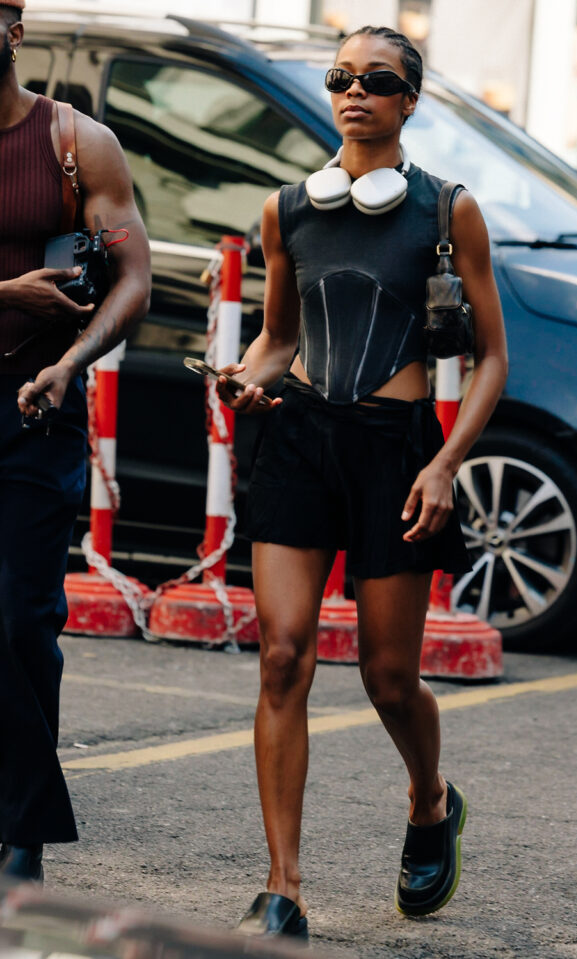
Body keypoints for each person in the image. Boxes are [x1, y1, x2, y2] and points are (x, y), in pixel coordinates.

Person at [216, 25, 507, 940]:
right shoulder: (287, 210)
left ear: (409, 100)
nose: (355, 93)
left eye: (376, 81)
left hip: (396, 450)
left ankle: (430, 800)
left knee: (387, 675)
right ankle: (283, 885)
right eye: (340, 77)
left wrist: (444, 460)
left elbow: (493, 356)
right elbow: (279, 338)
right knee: (282, 654)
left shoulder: (446, 210)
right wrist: (245, 381)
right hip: (300, 438)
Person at [0, 0, 150, 881]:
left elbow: (134, 277)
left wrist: (76, 358)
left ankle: (23, 836)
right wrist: (9, 291)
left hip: (35, 399)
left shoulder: (76, 143)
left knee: (23, 616)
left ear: (13, 29)